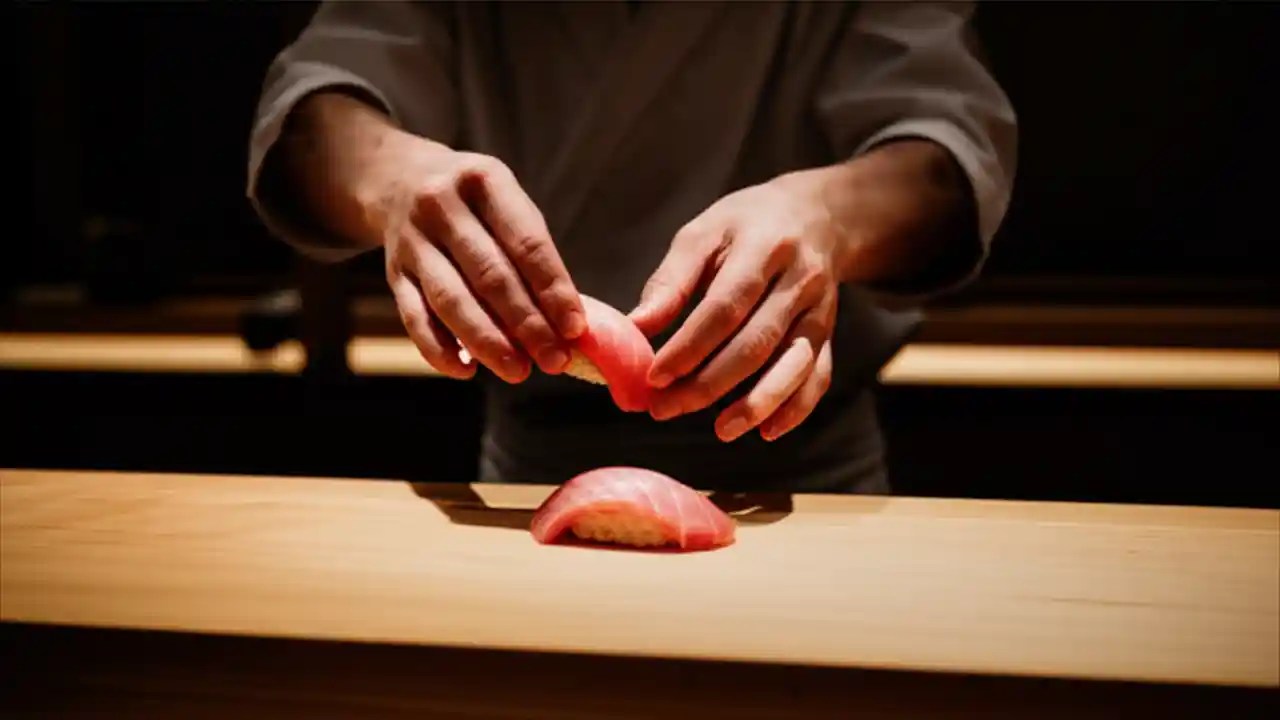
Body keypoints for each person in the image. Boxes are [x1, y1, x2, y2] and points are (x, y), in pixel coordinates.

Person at [246, 1, 1017, 494]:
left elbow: (948, 158)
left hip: (804, 473)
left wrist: (825, 214)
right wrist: (393, 178)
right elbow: (312, 111)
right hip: (531, 478)